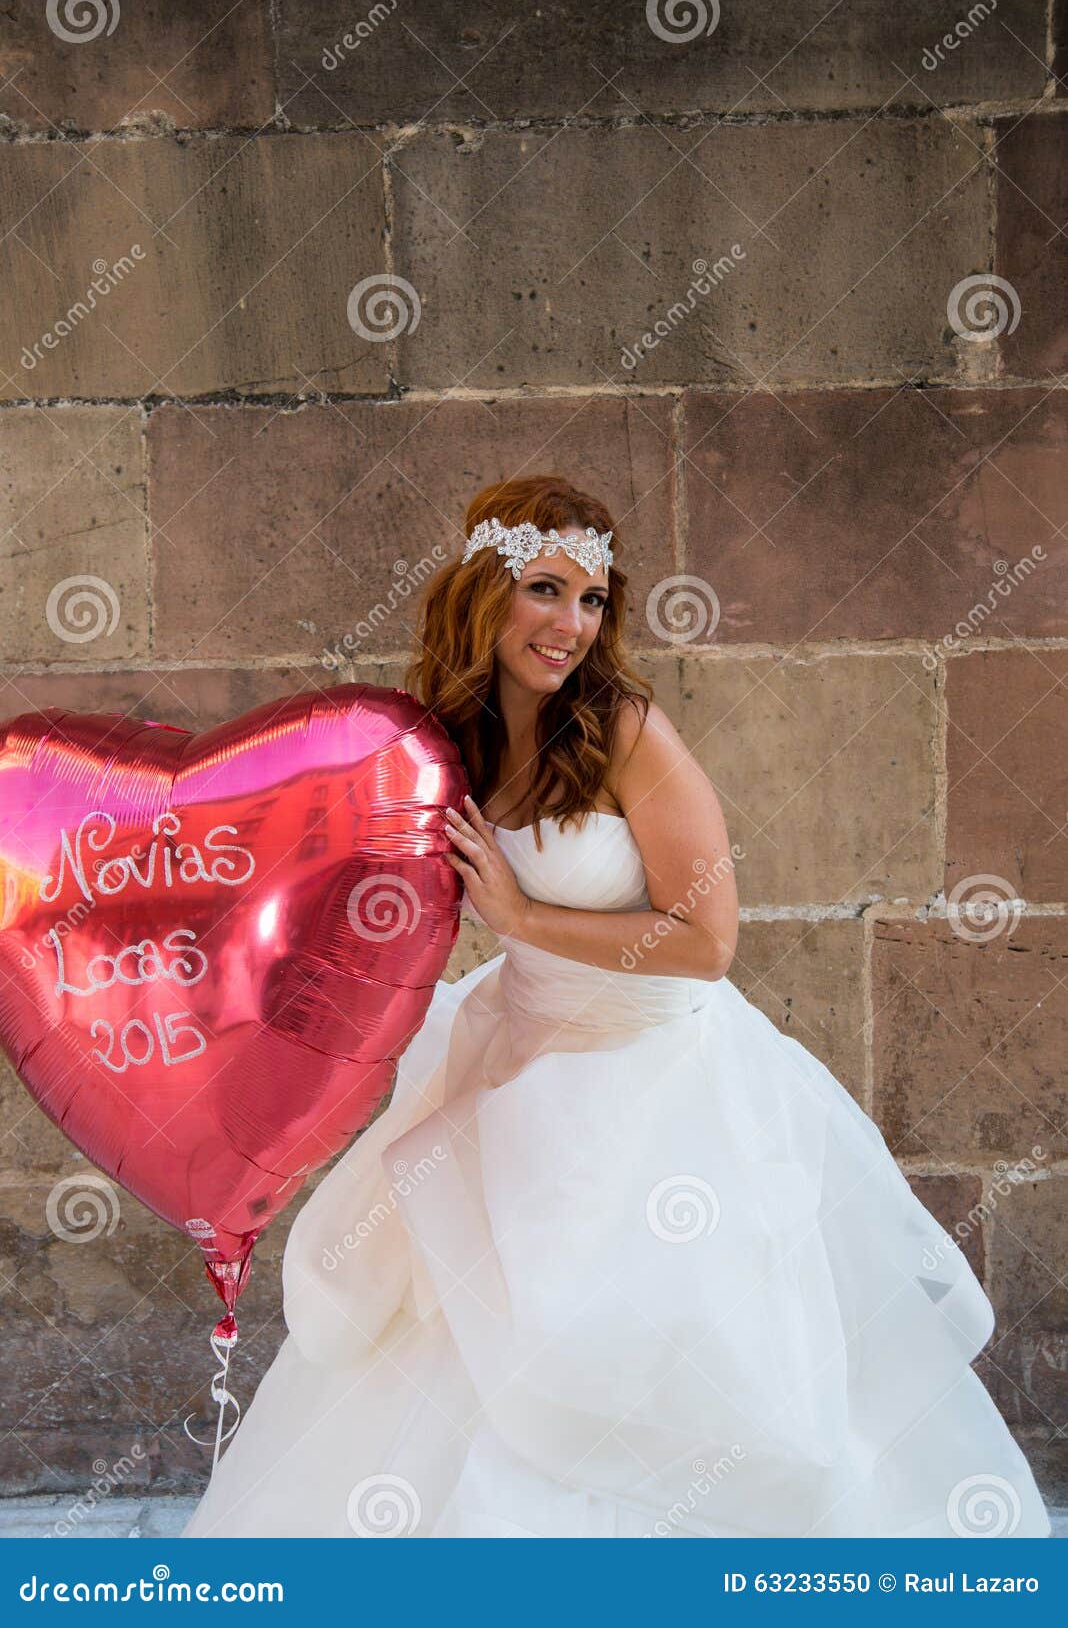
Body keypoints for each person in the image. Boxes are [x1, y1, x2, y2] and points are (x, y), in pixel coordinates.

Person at [181, 475, 1050, 1540]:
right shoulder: (447, 740)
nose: (572, 624)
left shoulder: (625, 729)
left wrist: (521, 915)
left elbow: (706, 940)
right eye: (546, 590)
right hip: (515, 1053)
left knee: (650, 1355)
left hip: (656, 1074)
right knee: (463, 1330)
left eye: (592, 599)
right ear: (483, 593)